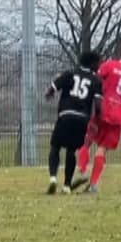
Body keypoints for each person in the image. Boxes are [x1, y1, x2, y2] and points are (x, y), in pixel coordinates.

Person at [79, 41, 121, 193]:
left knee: (87, 140)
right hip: (117, 115)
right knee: (102, 149)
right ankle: (93, 183)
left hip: (101, 109)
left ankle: (82, 166)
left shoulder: (109, 65)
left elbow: (95, 81)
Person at [45, 51, 104, 195]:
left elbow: (52, 88)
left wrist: (49, 95)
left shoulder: (69, 74)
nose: (99, 66)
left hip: (65, 115)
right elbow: (97, 104)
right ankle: (66, 186)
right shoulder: (96, 80)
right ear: (92, 63)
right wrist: (97, 118)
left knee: (55, 147)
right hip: (81, 119)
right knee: (71, 151)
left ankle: (53, 178)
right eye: (98, 63)